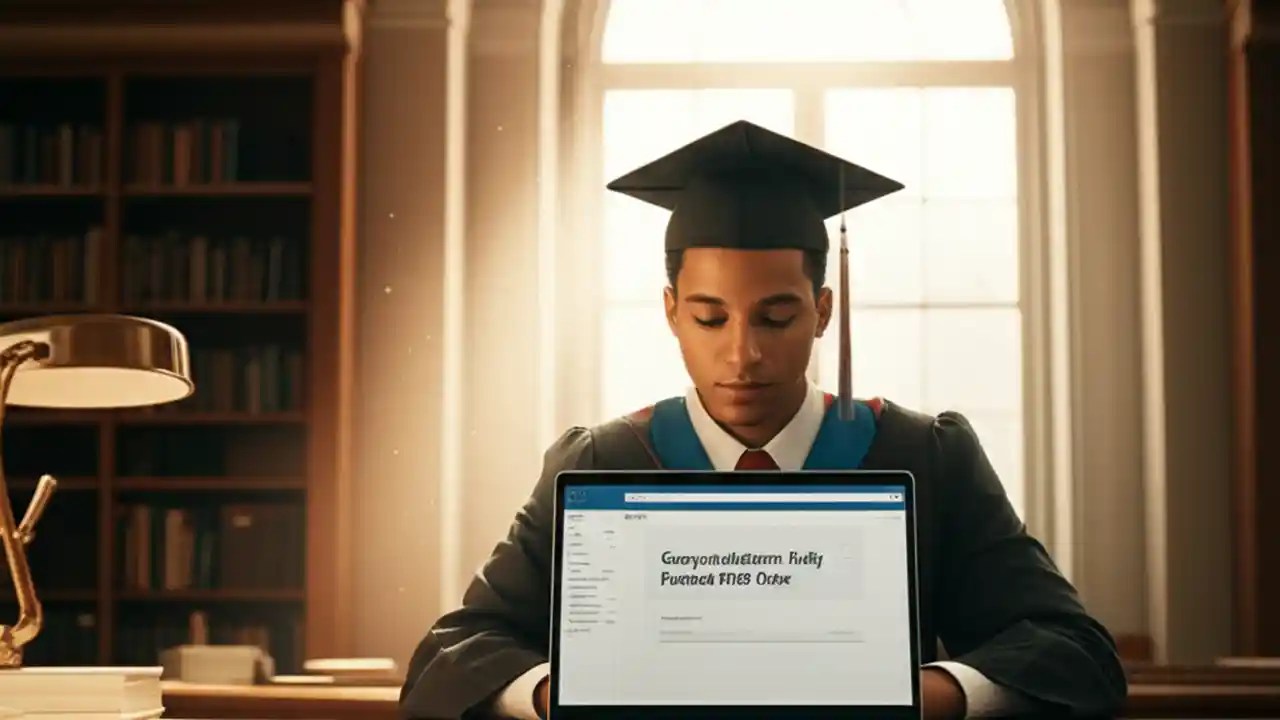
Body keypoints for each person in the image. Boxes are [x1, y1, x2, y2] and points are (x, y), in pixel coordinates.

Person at [398, 120, 1128, 719]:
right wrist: (571, 696)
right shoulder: (600, 462)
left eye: (775, 316)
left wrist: (917, 696)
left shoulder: (924, 455)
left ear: (822, 311)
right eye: (710, 318)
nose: (741, 354)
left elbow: (1072, 651)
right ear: (671, 312)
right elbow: (454, 653)